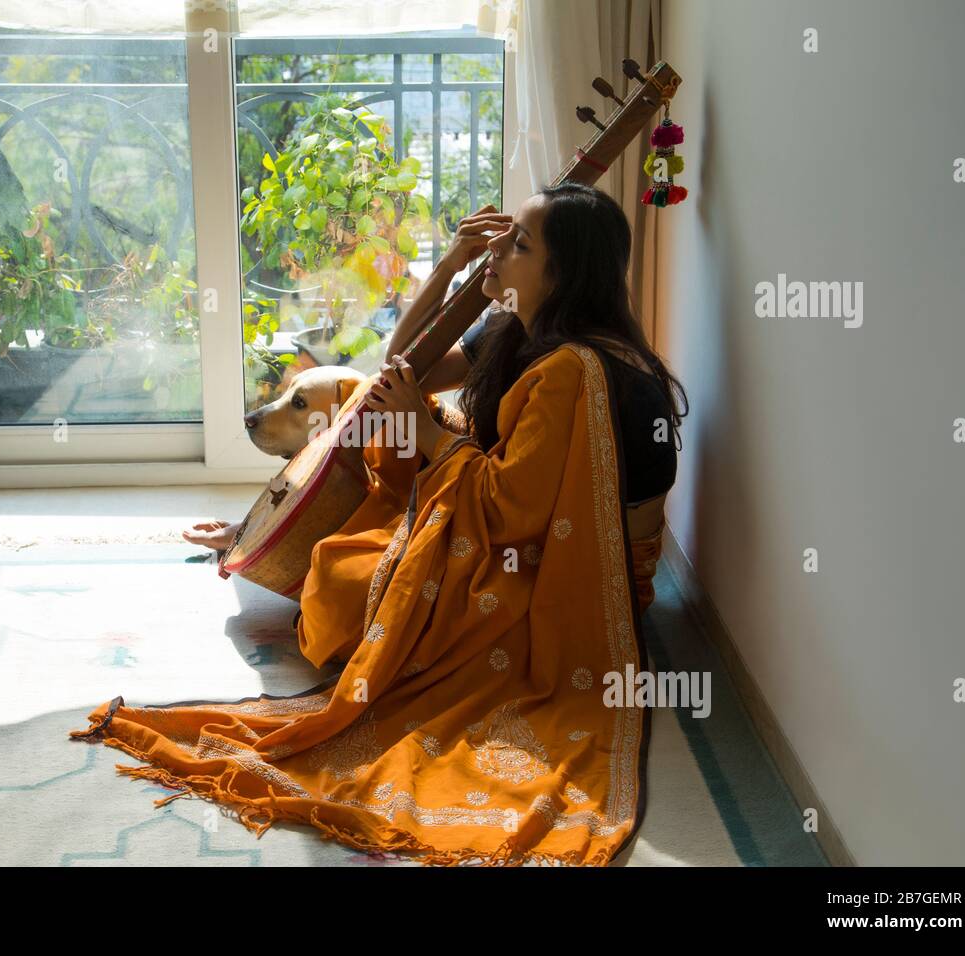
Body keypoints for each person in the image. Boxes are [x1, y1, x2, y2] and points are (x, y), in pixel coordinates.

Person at [76, 183, 689, 866]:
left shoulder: (576, 368)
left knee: (339, 580)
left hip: (555, 579)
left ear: (564, 273)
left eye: (519, 245)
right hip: (515, 532)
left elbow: (512, 515)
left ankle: (364, 590)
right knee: (383, 431)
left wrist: (432, 437)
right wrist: (451, 267)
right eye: (505, 234)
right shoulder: (521, 325)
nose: (499, 251)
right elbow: (405, 365)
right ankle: (282, 534)